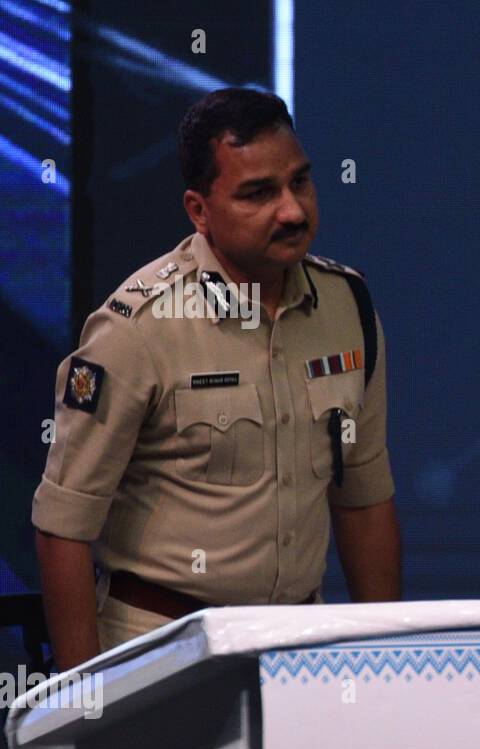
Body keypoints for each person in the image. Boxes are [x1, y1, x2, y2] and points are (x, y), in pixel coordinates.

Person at [33, 88, 401, 672]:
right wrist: (84, 704)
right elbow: (63, 526)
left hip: (300, 654)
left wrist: (387, 665)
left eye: (300, 182)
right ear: (199, 210)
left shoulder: (347, 307)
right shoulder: (138, 329)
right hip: (162, 654)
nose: (293, 211)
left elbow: (363, 499)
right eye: (258, 193)